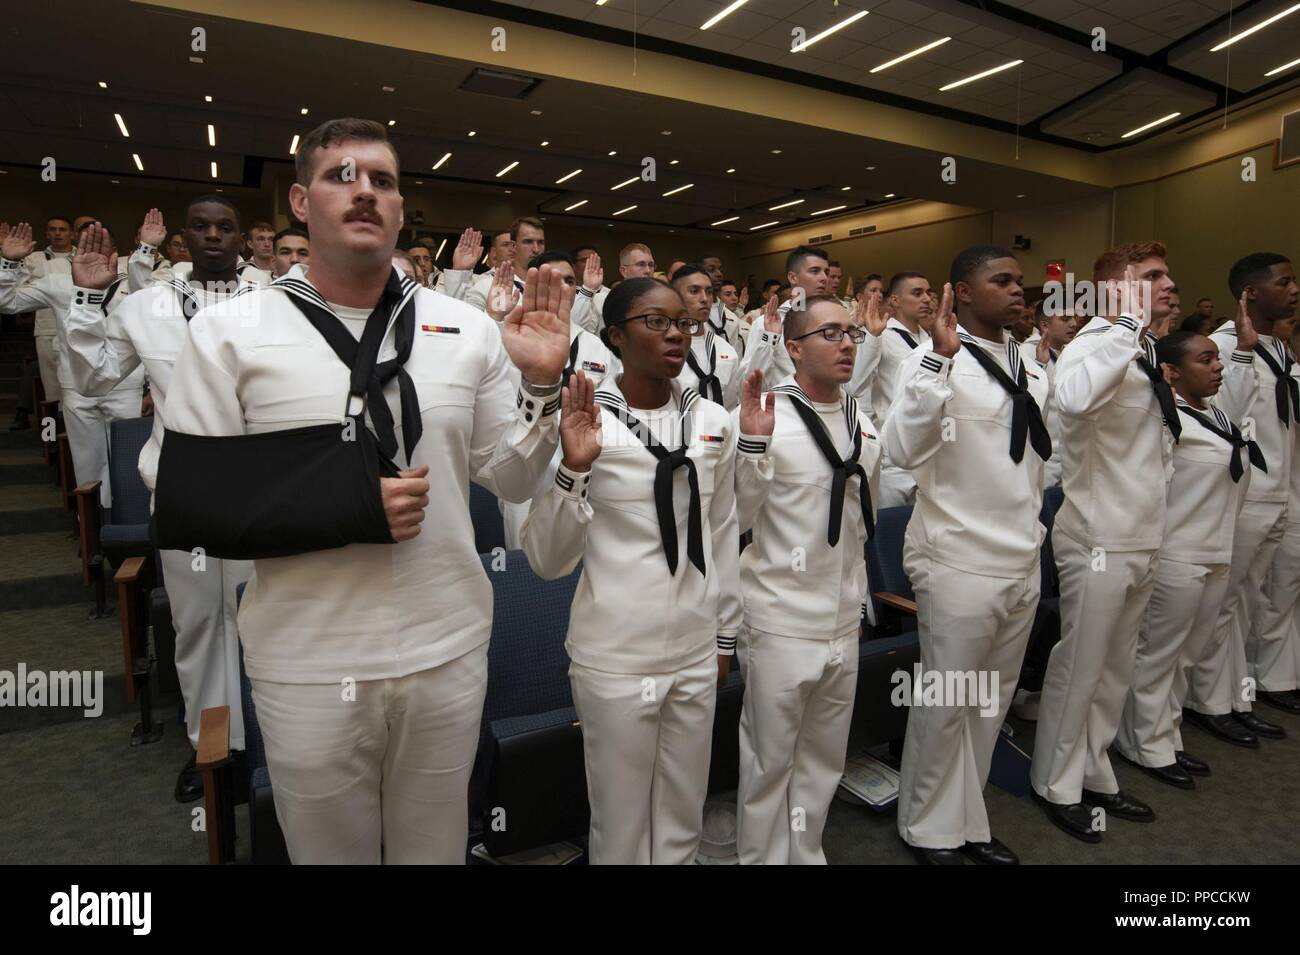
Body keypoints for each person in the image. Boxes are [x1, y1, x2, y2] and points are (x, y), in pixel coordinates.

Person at [160, 117, 569, 864]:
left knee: (437, 849)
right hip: (310, 658)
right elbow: (190, 501)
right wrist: (340, 504)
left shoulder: (464, 329)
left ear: (401, 209)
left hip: (446, 645)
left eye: (381, 180)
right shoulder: (230, 332)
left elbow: (509, 475)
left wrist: (541, 387)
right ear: (298, 201)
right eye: (340, 176)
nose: (364, 192)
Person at [521, 276, 746, 864]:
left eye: (683, 322)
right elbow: (547, 559)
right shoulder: (589, 420)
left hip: (696, 644)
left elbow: (720, 534)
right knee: (620, 817)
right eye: (656, 321)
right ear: (616, 336)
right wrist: (573, 470)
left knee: (682, 807)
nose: (675, 334)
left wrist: (725, 636)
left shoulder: (713, 420)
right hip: (617, 652)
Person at [64, 200, 261, 802]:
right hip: (182, 493)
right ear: (182, 236)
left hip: (264, 493)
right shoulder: (144, 305)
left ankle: (268, 742)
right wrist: (91, 299)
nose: (211, 235)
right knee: (198, 623)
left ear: (240, 239)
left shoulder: (277, 302)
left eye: (225, 226)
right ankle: (212, 748)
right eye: (199, 226)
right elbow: (96, 377)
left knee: (266, 620)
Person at [886, 247, 1048, 865]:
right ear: (963, 292)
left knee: (990, 704)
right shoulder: (934, 361)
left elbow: (1036, 457)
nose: (1016, 289)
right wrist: (938, 361)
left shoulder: (1029, 362)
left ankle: (967, 817)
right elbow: (902, 448)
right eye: (1000, 280)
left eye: (1018, 279)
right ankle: (927, 826)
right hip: (957, 556)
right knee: (947, 699)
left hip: (1020, 554)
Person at [1031, 242, 1180, 842]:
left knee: (1116, 665)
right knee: (1081, 665)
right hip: (1097, 533)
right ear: (1117, 288)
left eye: (1168, 274)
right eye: (1153, 277)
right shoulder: (1097, 342)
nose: (1168, 283)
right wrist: (1122, 324)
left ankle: (1093, 767)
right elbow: (1072, 400)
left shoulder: (1140, 349)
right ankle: (1056, 783)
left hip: (1141, 531)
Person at [734, 294, 879, 865]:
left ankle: (806, 852)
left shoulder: (860, 419)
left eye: (851, 334)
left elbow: (860, 524)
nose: (846, 344)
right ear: (793, 348)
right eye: (829, 334)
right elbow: (735, 519)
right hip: (779, 618)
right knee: (770, 761)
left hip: (841, 617)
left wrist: (858, 605)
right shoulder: (765, 413)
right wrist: (750, 446)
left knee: (823, 757)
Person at [1114, 329, 1261, 788]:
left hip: (1216, 548)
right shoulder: (1166, 419)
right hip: (1177, 552)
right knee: (1159, 654)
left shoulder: (1214, 414)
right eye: (1205, 359)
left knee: (1187, 655)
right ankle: (1142, 743)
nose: (1217, 367)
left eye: (1217, 358)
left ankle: (1165, 734)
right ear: (1172, 372)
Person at [1186, 253, 1300, 742]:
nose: (1294, 288)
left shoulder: (1280, 346)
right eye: (1284, 282)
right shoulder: (1224, 347)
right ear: (1250, 294)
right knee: (1224, 602)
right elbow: (1224, 418)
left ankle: (1240, 691)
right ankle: (1208, 700)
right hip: (1243, 492)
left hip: (1281, 489)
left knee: (1252, 600)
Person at [0, 221, 139, 506]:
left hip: (127, 384)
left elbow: (148, 336)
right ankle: (93, 528)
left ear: (114, 251)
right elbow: (7, 302)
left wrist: (150, 387)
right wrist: (9, 263)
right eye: (86, 244)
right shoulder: (58, 282)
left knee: (131, 461)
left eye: (101, 244)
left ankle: (129, 526)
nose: (93, 251)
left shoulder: (135, 283)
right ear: (77, 248)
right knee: (88, 463)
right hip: (77, 386)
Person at [497, 250, 617, 548]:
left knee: (573, 548)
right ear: (531, 283)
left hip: (578, 460)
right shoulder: (510, 335)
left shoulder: (594, 346)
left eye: (570, 281)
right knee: (522, 552)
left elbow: (613, 404)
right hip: (525, 456)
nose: (563, 287)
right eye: (553, 278)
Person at [854, 271, 933, 506]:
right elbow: (855, 384)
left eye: (928, 292)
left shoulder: (930, 339)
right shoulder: (882, 334)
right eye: (917, 293)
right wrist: (872, 337)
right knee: (891, 533)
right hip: (894, 457)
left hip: (928, 449)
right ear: (895, 301)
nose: (927, 299)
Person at [740, 245, 830, 390]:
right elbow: (749, 385)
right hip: (784, 406)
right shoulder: (766, 323)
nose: (824, 278)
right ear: (793, 277)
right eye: (815, 271)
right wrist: (770, 339)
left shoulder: (832, 319)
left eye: (826, 272)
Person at [1019, 299, 1078, 488]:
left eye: (1074, 318)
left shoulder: (1065, 352)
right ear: (1044, 325)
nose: (1074, 324)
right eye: (1065, 319)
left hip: (1066, 459)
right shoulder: (1027, 353)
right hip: (1045, 461)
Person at [673, 265, 739, 409]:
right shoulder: (660, 348)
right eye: (694, 291)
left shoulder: (726, 351)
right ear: (674, 296)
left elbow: (729, 407)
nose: (704, 299)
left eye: (709, 292)